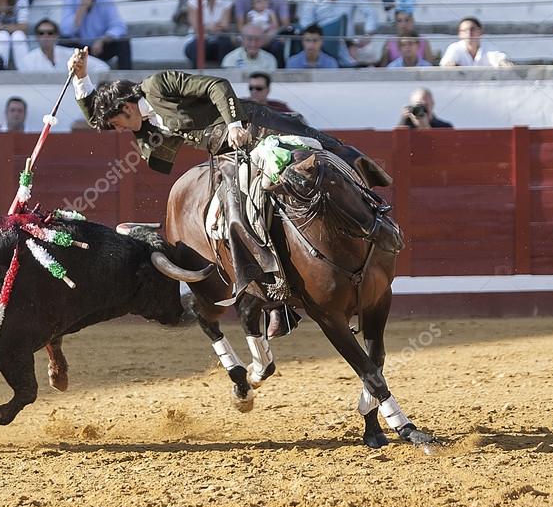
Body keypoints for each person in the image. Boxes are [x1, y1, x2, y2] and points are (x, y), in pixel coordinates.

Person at [68, 48, 388, 333]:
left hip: (257, 129)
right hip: (227, 156)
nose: (119, 131)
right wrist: (82, 81)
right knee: (232, 217)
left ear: (126, 107)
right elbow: (99, 120)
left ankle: (381, 224)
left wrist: (234, 123)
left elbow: (215, 86)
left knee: (330, 158)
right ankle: (276, 296)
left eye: (118, 124)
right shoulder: (145, 125)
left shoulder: (158, 85)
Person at [297, 0, 379, 67]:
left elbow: (370, 11)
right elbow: (306, 24)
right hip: (322, 43)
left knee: (373, 50)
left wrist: (367, 35)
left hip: (349, 43)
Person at [60, 0, 131, 70]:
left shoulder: (106, 0)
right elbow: (66, 30)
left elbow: (119, 26)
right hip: (78, 48)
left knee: (123, 41)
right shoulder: (70, 0)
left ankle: (126, 80)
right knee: (62, 42)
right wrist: (82, 8)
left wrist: (102, 40)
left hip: (100, 46)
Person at [19, 18, 110, 73]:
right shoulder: (28, 59)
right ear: (36, 37)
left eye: (50, 33)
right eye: (41, 33)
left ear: (56, 36)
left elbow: (102, 67)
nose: (45, 36)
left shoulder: (71, 54)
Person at [184, 0, 235, 68]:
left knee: (224, 42)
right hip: (197, 41)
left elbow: (224, 26)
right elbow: (196, 27)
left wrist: (205, 27)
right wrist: (213, 27)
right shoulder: (193, 2)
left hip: (217, 42)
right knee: (198, 45)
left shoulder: (226, 2)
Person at [377, 0, 434, 66]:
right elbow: (383, 69)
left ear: (412, 21)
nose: (403, 24)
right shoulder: (389, 42)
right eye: (399, 21)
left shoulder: (423, 41)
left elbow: (430, 68)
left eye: (407, 20)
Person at [439, 17, 513, 67]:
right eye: (464, 31)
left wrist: (503, 63)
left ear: (480, 31)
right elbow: (446, 63)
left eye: (472, 29)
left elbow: (498, 58)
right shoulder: (455, 47)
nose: (469, 33)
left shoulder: (489, 47)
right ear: (460, 34)